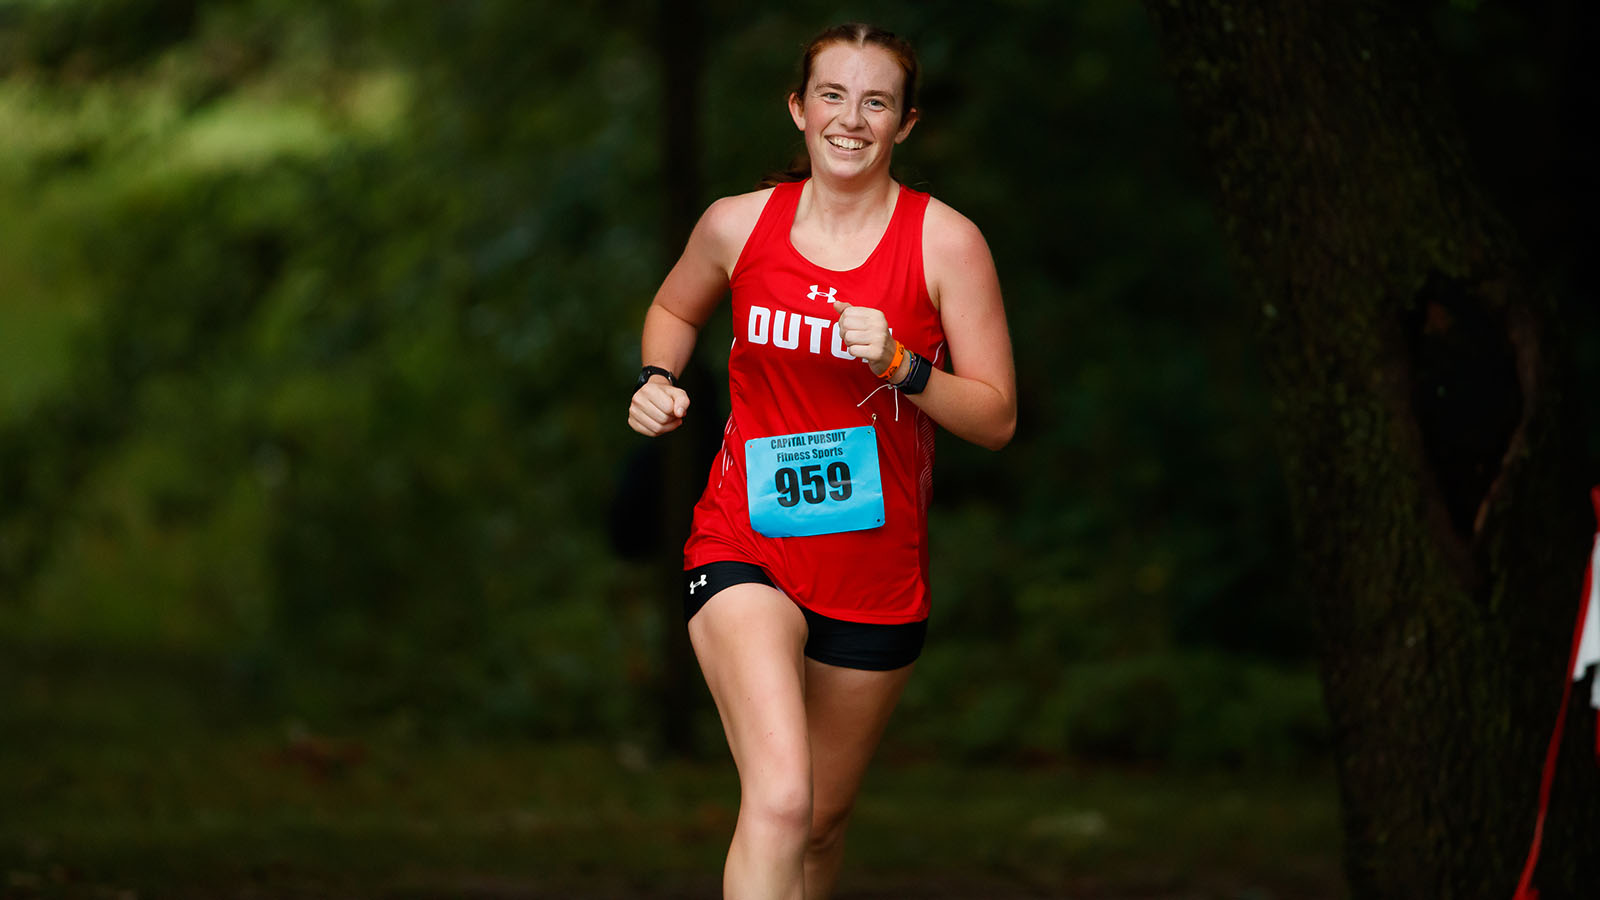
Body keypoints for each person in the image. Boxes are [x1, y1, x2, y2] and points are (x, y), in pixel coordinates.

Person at [626, 22, 1015, 900]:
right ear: (799, 109)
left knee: (819, 826)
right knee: (780, 798)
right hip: (744, 543)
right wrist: (658, 377)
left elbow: (995, 418)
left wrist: (903, 366)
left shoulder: (945, 243)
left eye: (875, 101)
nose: (851, 119)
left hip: (874, 574)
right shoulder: (737, 224)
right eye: (832, 96)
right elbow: (673, 309)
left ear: (905, 124)